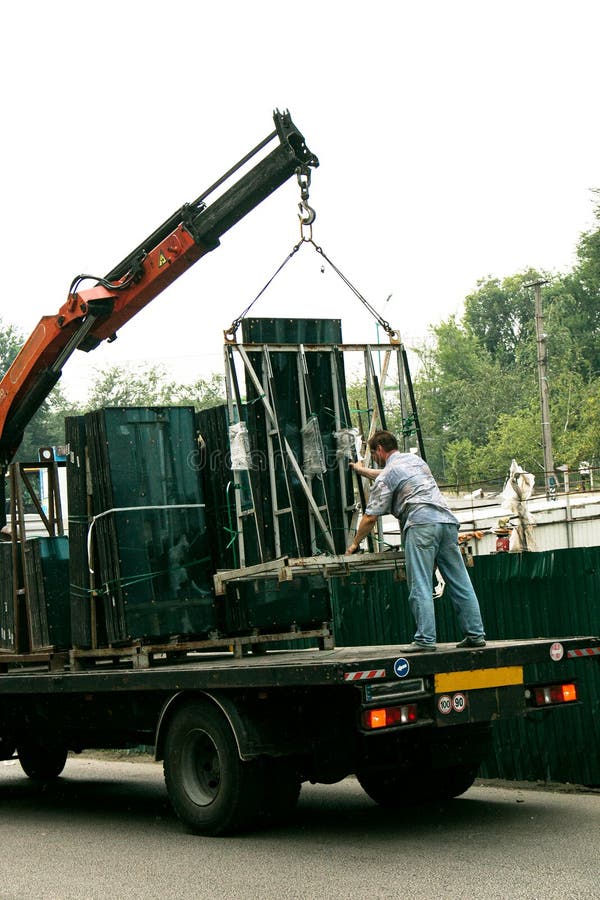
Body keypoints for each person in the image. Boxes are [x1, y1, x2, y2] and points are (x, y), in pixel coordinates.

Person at [345, 430, 486, 652]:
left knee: (420, 583)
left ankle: (425, 639)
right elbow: (387, 474)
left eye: (374, 453)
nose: (375, 458)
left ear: (379, 450)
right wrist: (361, 470)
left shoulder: (388, 474)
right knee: (460, 581)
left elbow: (370, 517)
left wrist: (354, 544)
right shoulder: (415, 461)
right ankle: (476, 634)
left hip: (421, 525)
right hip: (447, 523)